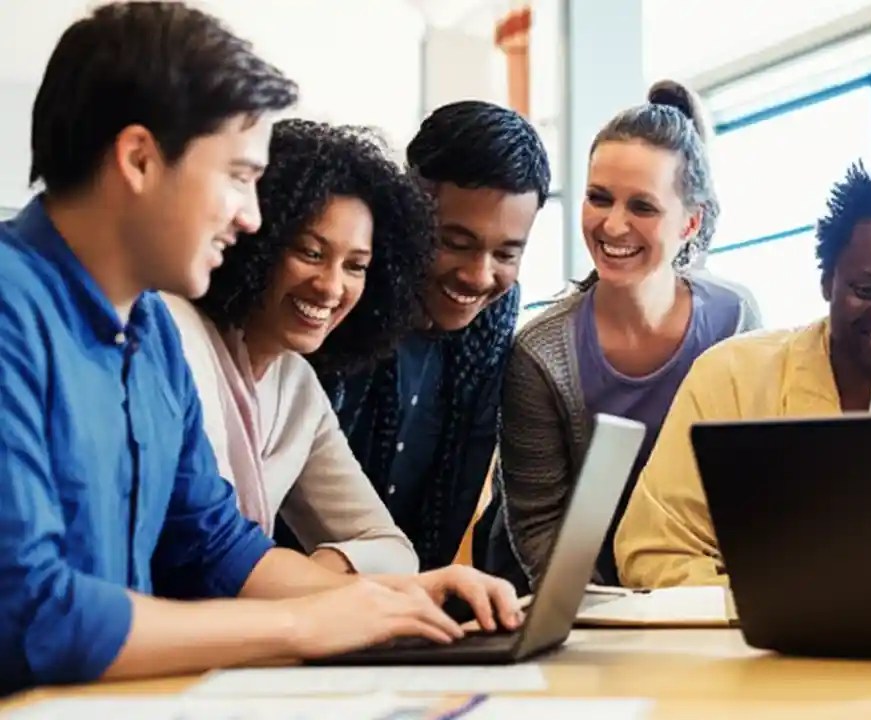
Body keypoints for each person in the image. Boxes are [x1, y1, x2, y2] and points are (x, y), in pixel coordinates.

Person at [0, 3, 516, 694]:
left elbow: (214, 545)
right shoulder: (13, 312)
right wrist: (302, 627)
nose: (250, 216)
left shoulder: (147, 332)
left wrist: (398, 601)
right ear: (140, 159)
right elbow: (32, 615)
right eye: (239, 175)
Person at [614, 157, 871, 589]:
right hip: (759, 644)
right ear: (827, 282)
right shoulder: (730, 376)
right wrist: (770, 601)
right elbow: (652, 548)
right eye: (867, 290)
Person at [499, 80, 761, 588]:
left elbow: (758, 482)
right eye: (599, 198)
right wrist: (609, 614)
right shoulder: (541, 354)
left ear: (690, 222)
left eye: (642, 207)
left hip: (705, 590)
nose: (613, 226)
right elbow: (538, 528)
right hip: (586, 603)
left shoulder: (735, 319)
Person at [164, 119, 431, 574]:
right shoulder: (176, 334)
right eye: (310, 253)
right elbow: (206, 553)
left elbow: (392, 549)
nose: (331, 287)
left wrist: (311, 575)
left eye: (356, 266)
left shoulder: (296, 383)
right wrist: (299, 586)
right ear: (257, 242)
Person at [317, 101, 551, 575]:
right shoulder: (338, 307)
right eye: (455, 243)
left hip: (403, 609)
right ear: (407, 209)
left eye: (506, 253)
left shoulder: (493, 322)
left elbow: (457, 495)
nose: (478, 276)